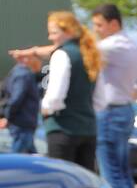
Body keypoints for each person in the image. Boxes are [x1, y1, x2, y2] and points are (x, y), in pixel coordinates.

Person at [11, 12, 101, 168]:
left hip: (63, 129)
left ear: (68, 32)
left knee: (63, 181)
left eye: (54, 33)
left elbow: (55, 97)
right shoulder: (88, 54)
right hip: (88, 129)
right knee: (84, 182)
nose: (50, 37)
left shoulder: (62, 54)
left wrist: (45, 110)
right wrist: (31, 52)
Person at [90, 3, 137, 188]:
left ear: (113, 23)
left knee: (112, 174)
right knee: (123, 173)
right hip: (124, 109)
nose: (96, 30)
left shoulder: (110, 46)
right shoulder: (132, 46)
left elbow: (82, 49)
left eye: (99, 25)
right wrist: (125, 93)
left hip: (110, 113)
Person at [0, 53, 42, 153]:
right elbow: (16, 98)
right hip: (22, 124)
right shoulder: (23, 75)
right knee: (17, 160)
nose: (39, 63)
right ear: (26, 59)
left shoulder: (21, 73)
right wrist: (8, 117)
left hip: (23, 123)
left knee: (32, 157)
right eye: (37, 59)